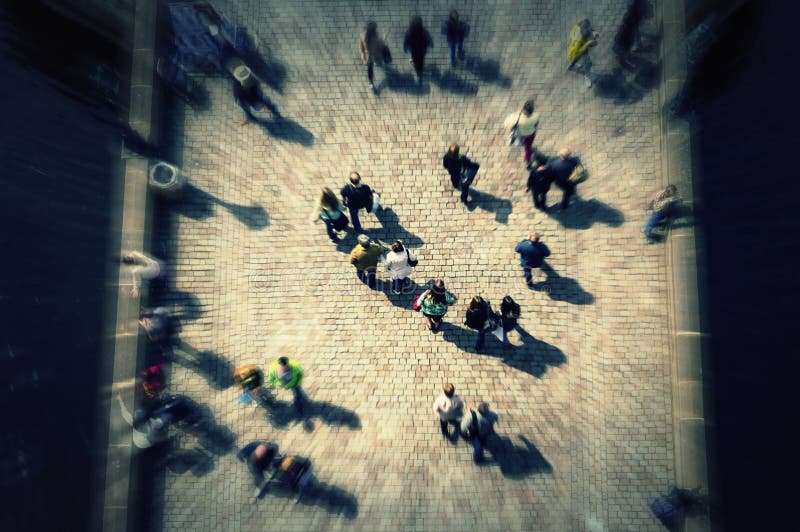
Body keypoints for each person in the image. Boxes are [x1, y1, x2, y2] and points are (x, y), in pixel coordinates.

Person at [504, 100, 540, 167]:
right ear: (532, 110)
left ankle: (528, 160)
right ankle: (528, 161)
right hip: (531, 134)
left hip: (522, 135)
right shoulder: (536, 116)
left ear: (523, 109)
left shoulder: (517, 118)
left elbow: (509, 128)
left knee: (524, 145)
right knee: (528, 148)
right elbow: (536, 124)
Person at [567, 19, 599, 87]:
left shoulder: (579, 26)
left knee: (587, 63)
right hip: (576, 52)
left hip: (580, 47)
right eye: (587, 30)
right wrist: (588, 44)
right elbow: (578, 52)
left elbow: (588, 29)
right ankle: (586, 76)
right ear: (583, 30)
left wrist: (593, 32)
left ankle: (573, 66)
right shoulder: (577, 41)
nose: (588, 30)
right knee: (588, 64)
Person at [360, 21, 390, 93]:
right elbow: (381, 44)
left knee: (370, 69)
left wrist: (363, 56)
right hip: (375, 55)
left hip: (368, 56)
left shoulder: (363, 35)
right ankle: (380, 65)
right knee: (376, 63)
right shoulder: (375, 36)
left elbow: (361, 47)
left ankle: (371, 83)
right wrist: (385, 35)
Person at [404, 16, 433, 84]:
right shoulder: (423, 31)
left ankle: (418, 73)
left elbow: (406, 41)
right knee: (421, 61)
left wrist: (405, 48)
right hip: (422, 50)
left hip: (414, 50)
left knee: (415, 60)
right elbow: (428, 38)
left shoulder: (409, 32)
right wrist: (431, 44)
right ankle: (420, 71)